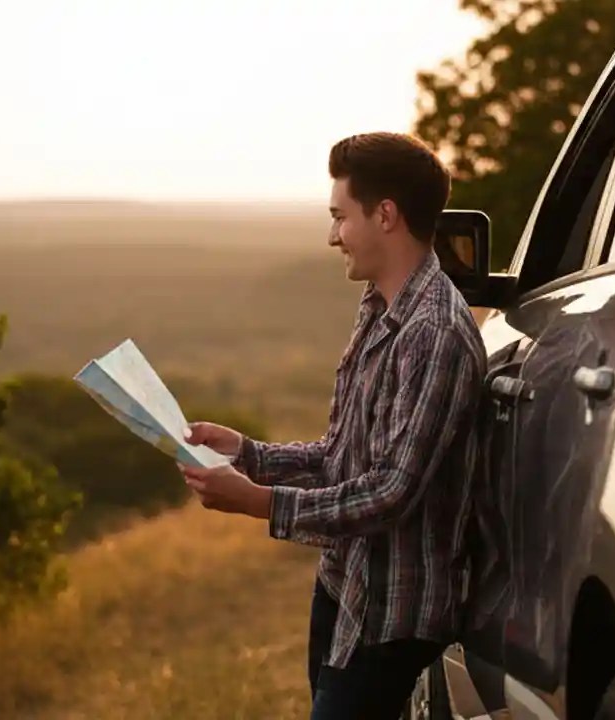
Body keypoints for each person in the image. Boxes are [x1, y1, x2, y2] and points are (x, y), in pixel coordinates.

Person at [178, 131, 487, 720]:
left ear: (386, 215)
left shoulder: (435, 334)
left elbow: (391, 490)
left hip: (391, 614)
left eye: (339, 216)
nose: (331, 235)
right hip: (345, 587)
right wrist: (246, 451)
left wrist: (261, 503)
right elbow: (344, 453)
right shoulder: (379, 309)